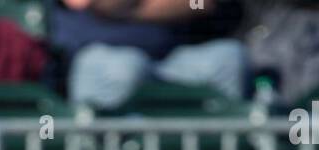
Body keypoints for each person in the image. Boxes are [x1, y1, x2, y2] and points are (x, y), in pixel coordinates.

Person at [49, 0, 249, 110]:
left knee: (228, 58)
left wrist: (133, 8)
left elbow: (201, 3)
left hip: (172, 58)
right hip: (103, 56)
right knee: (123, 68)